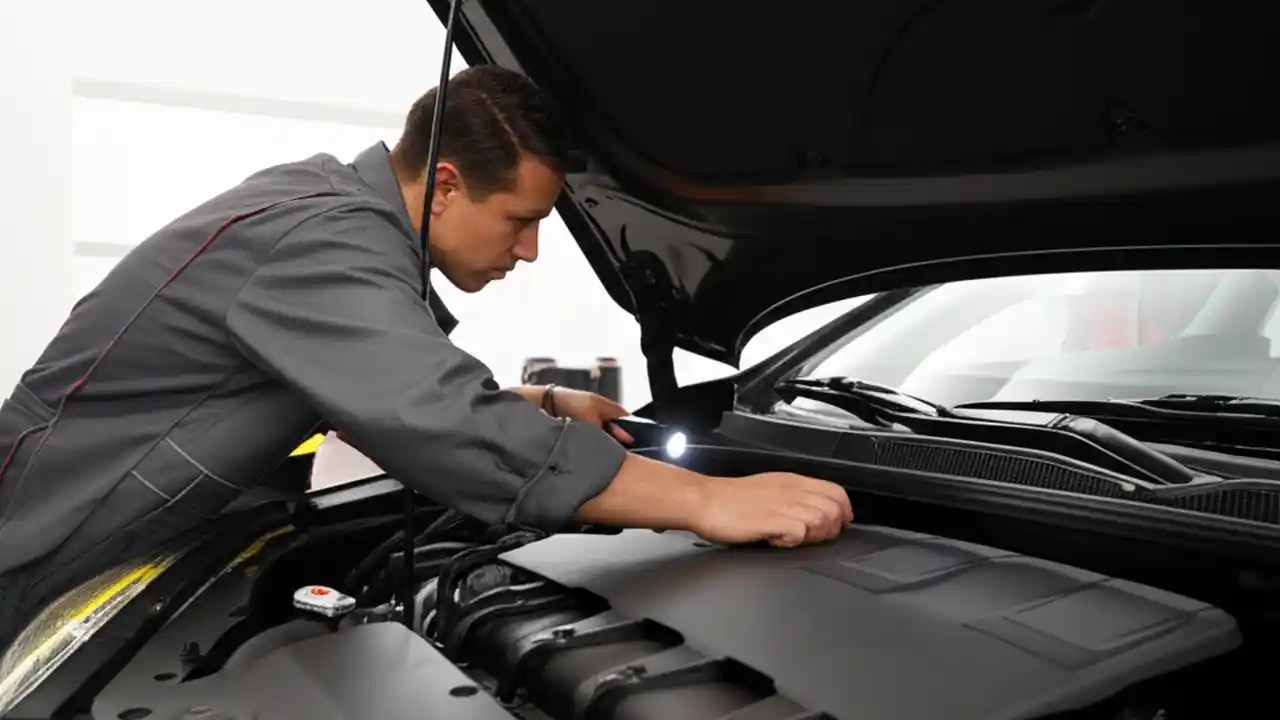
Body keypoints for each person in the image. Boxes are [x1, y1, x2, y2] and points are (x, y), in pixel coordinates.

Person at [0, 65, 852, 650]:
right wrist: (706, 501)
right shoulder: (323, 239)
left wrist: (541, 406)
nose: (529, 253)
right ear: (446, 185)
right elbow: (433, 415)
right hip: (48, 531)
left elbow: (367, 392)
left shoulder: (327, 207)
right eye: (521, 220)